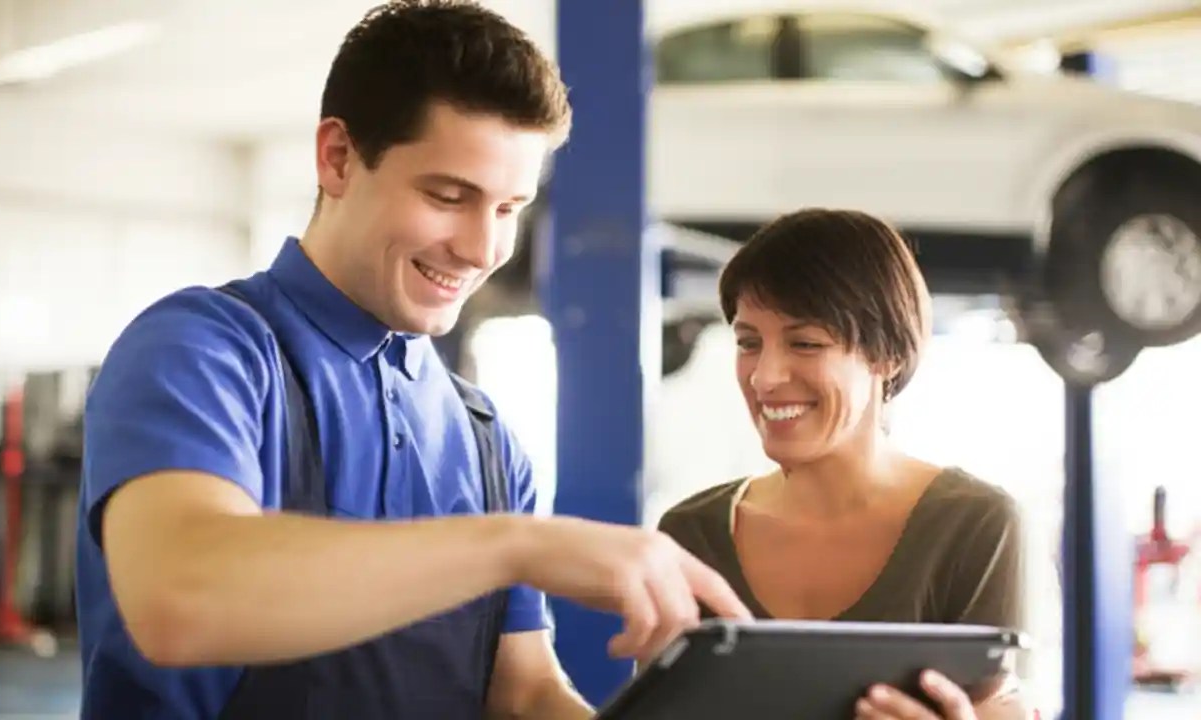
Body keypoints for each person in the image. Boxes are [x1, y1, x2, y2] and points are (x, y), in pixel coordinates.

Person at [74, 2, 751, 718]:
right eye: (448, 196)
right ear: (337, 157)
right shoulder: (203, 351)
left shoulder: (484, 436)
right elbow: (182, 600)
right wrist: (518, 547)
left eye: (508, 208)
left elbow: (522, 694)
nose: (483, 248)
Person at [656, 208, 1031, 720]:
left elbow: (1000, 708)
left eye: (805, 343)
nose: (764, 377)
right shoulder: (690, 535)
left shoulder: (974, 526)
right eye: (748, 343)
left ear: (887, 355)